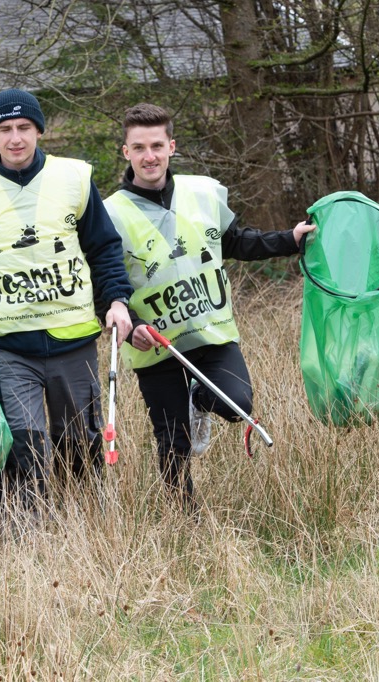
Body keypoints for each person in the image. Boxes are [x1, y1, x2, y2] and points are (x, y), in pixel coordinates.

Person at [0, 88, 133, 530]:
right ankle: (21, 540)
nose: (15, 138)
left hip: (73, 341)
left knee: (81, 444)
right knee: (22, 444)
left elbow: (104, 249)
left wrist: (116, 300)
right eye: (4, 130)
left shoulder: (75, 178)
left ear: (38, 130)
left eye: (23, 128)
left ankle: (84, 532)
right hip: (8, 348)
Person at [104, 103, 314, 514]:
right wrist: (133, 329)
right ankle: (187, 518)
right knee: (173, 439)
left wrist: (288, 239)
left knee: (239, 405)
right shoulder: (109, 213)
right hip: (155, 344)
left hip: (211, 332)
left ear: (172, 147)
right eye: (140, 147)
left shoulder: (203, 191)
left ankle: (199, 397)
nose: (150, 156)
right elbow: (106, 285)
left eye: (158, 145)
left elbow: (235, 242)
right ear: (126, 152)